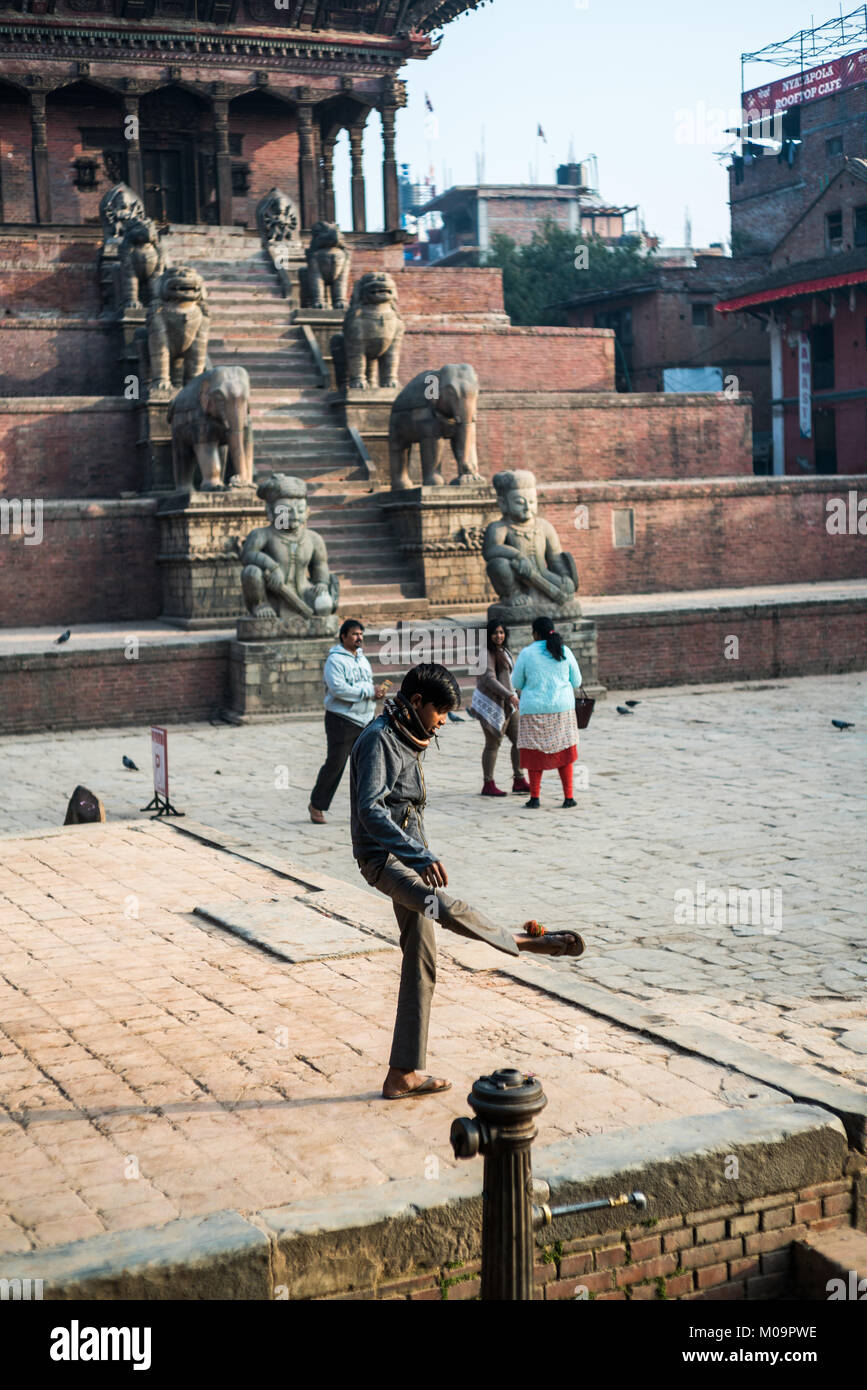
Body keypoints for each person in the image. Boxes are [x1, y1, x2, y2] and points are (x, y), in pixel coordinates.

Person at [350, 662, 585, 1100]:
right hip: (384, 859)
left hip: (408, 859)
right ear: (416, 702)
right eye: (439, 712)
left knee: (421, 961)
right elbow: (371, 810)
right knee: (446, 908)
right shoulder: (379, 739)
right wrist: (418, 855)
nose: (441, 722)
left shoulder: (406, 733)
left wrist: (419, 854)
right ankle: (518, 941)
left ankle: (401, 1074)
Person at [308, 618, 388, 824]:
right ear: (343, 637)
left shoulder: (362, 659)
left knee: (368, 765)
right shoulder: (335, 660)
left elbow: (365, 683)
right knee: (336, 764)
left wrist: (375, 693)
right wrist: (369, 692)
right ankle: (317, 804)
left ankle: (367, 808)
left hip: (365, 719)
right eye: (354, 634)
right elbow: (338, 689)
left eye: (361, 634)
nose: (359, 638)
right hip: (342, 720)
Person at [511, 616, 582, 810]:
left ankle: (535, 797)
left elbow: (516, 683)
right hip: (562, 709)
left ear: (535, 633)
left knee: (535, 753)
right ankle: (569, 797)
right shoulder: (564, 650)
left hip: (534, 710)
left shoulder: (527, 654)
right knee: (564, 751)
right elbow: (577, 681)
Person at [469, 620, 531, 797]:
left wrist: (515, 693)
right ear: (489, 635)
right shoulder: (485, 653)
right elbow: (489, 679)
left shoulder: (504, 651)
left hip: (509, 704)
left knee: (520, 740)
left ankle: (519, 779)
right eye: (495, 633)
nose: (499, 636)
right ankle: (488, 783)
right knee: (492, 744)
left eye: (502, 632)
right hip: (492, 704)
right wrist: (509, 695)